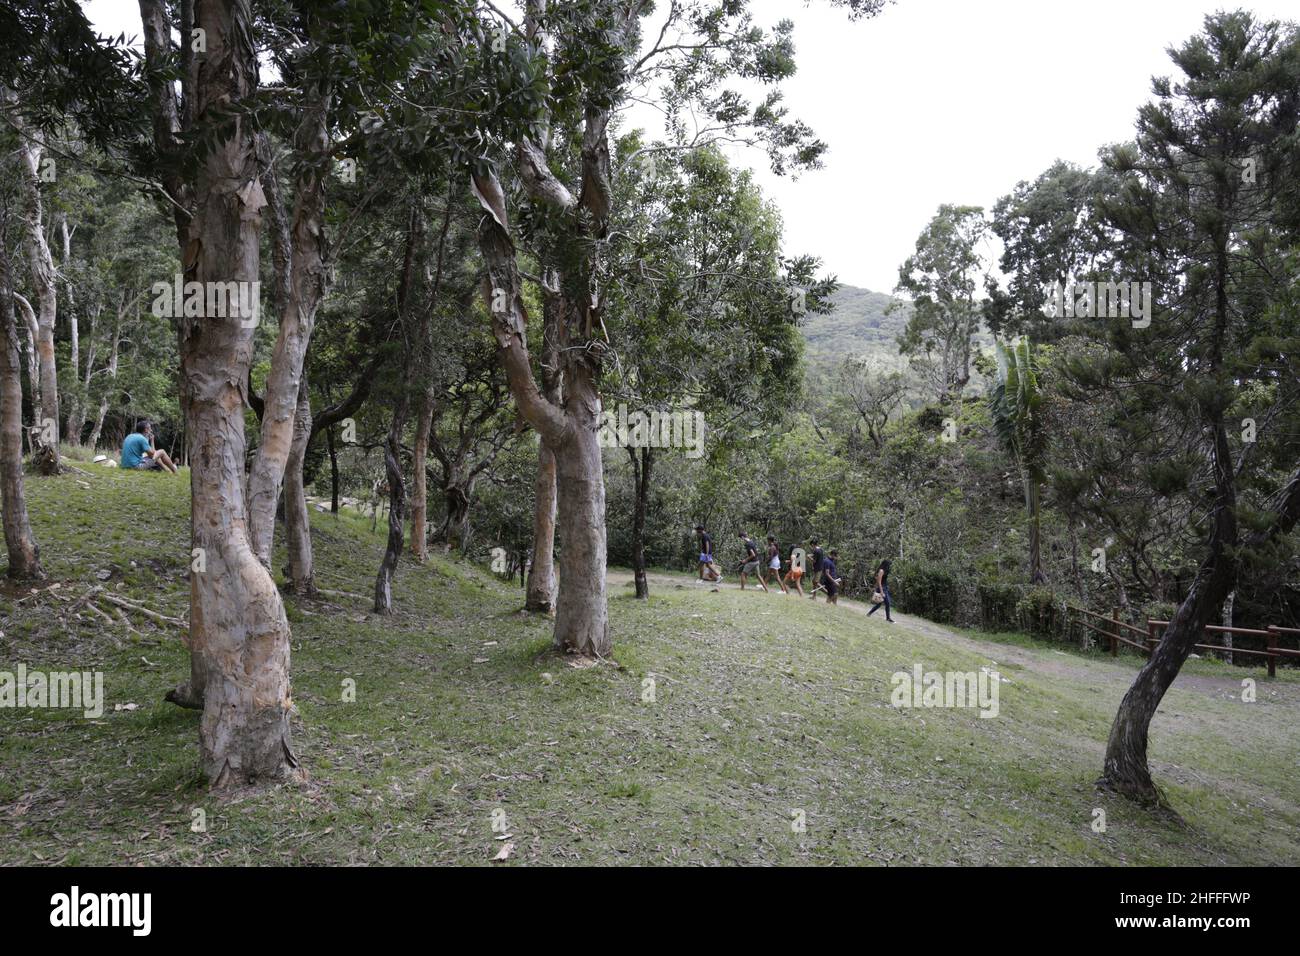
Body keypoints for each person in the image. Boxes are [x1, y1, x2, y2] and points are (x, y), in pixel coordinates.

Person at [867, 557, 895, 622]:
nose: (890, 566)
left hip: (885, 587)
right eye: (889, 565)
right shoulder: (881, 570)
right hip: (881, 588)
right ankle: (888, 618)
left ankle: (869, 613)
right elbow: (879, 581)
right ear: (886, 565)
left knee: (880, 603)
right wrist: (881, 591)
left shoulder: (885, 570)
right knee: (887, 603)